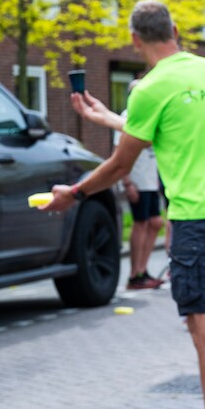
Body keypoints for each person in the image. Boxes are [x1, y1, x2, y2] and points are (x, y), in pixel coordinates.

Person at [42, 0, 205, 409]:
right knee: (203, 332)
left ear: (135, 40)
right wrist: (113, 118)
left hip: (195, 220)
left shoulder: (150, 88)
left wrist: (72, 194)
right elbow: (167, 131)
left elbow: (119, 164)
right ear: (175, 29)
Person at [72, 78, 166, 290]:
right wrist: (127, 183)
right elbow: (118, 155)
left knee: (155, 223)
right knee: (141, 224)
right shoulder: (128, 118)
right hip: (138, 180)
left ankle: (143, 269)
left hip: (150, 180)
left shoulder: (148, 117)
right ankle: (135, 274)